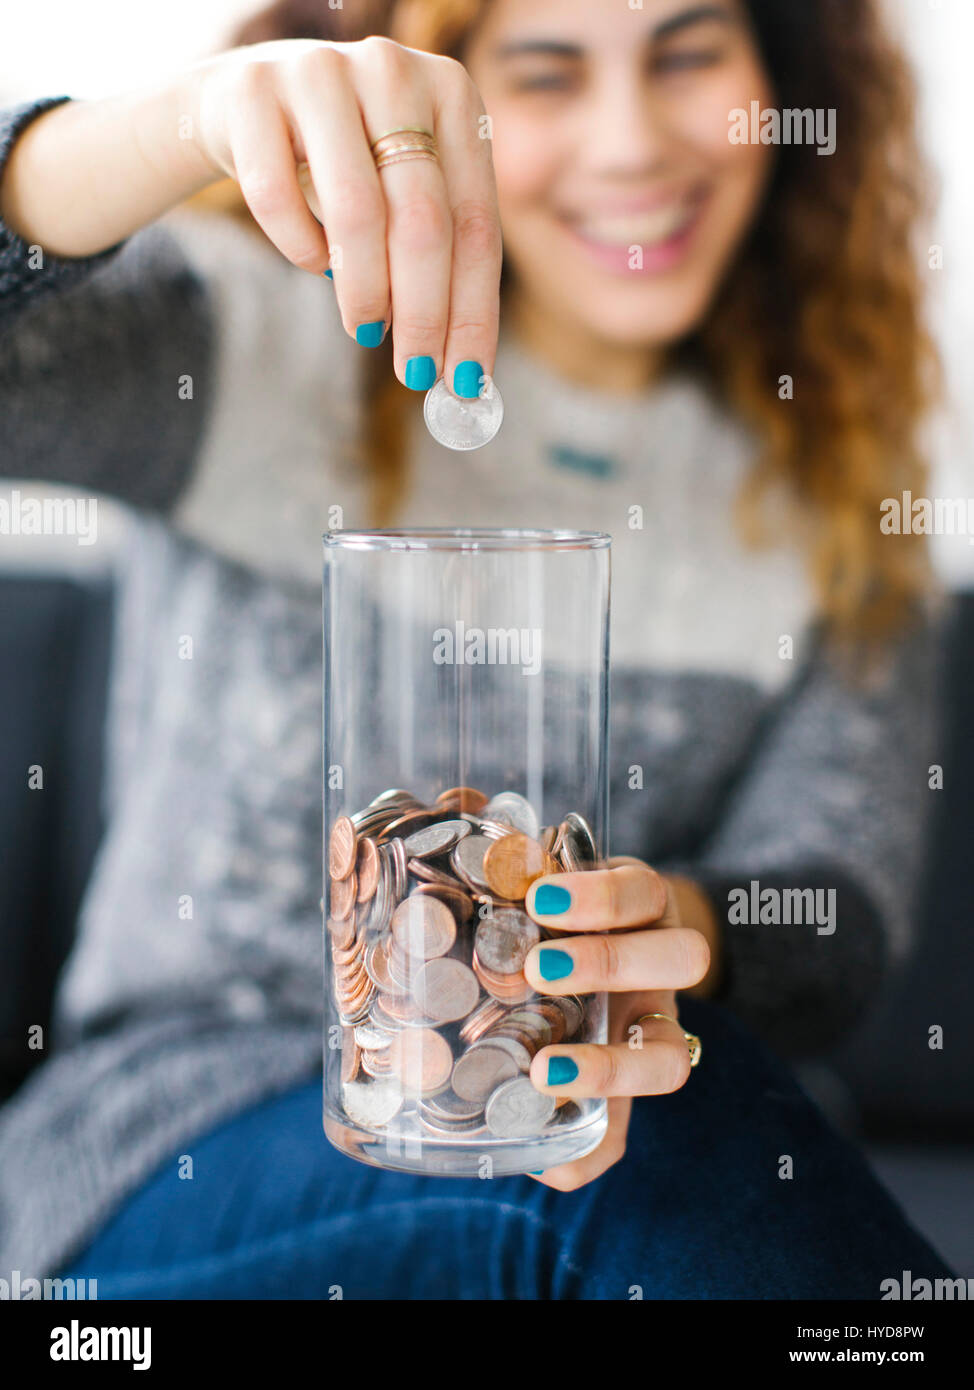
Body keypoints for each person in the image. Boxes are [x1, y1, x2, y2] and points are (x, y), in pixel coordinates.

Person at [0, 0, 954, 1298]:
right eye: (548, 73)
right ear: (446, 108)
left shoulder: (836, 482)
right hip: (169, 1149)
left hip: (593, 1101)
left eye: (683, 54)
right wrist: (182, 118)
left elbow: (837, 905)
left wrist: (659, 933)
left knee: (644, 1116)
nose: (630, 143)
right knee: (627, 1165)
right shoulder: (256, 344)